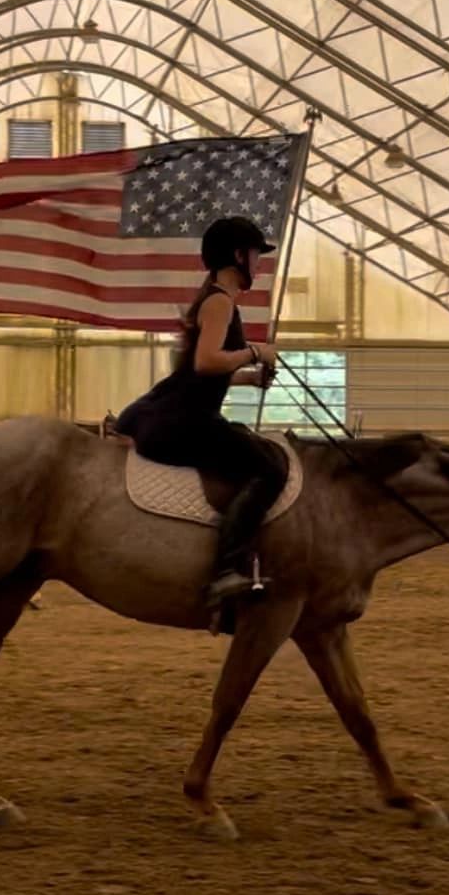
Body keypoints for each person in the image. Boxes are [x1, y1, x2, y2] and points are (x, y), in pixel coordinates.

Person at [115, 216, 288, 611]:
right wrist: (255, 352)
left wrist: (247, 380)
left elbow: (201, 372)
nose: (259, 264)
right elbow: (207, 362)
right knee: (270, 469)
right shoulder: (219, 302)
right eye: (255, 254)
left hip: (174, 409)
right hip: (184, 421)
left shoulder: (212, 298)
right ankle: (226, 570)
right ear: (237, 256)